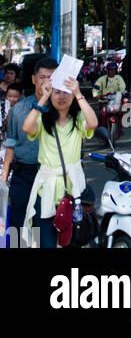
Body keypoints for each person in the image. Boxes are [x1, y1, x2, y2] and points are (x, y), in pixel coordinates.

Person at [21, 73, 98, 249]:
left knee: (72, 242)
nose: (61, 97)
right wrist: (43, 98)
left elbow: (93, 123)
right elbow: (27, 127)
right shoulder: (43, 119)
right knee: (47, 244)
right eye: (56, 92)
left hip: (72, 193)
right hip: (45, 192)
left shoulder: (78, 119)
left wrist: (78, 93)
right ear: (51, 94)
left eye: (66, 92)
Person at [1, 57, 57, 246]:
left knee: (45, 230)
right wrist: (3, 181)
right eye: (42, 77)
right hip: (23, 175)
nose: (46, 82)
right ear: (33, 79)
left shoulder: (62, 109)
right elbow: (10, 145)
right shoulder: (19, 109)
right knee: (18, 231)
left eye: (51, 77)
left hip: (50, 177)